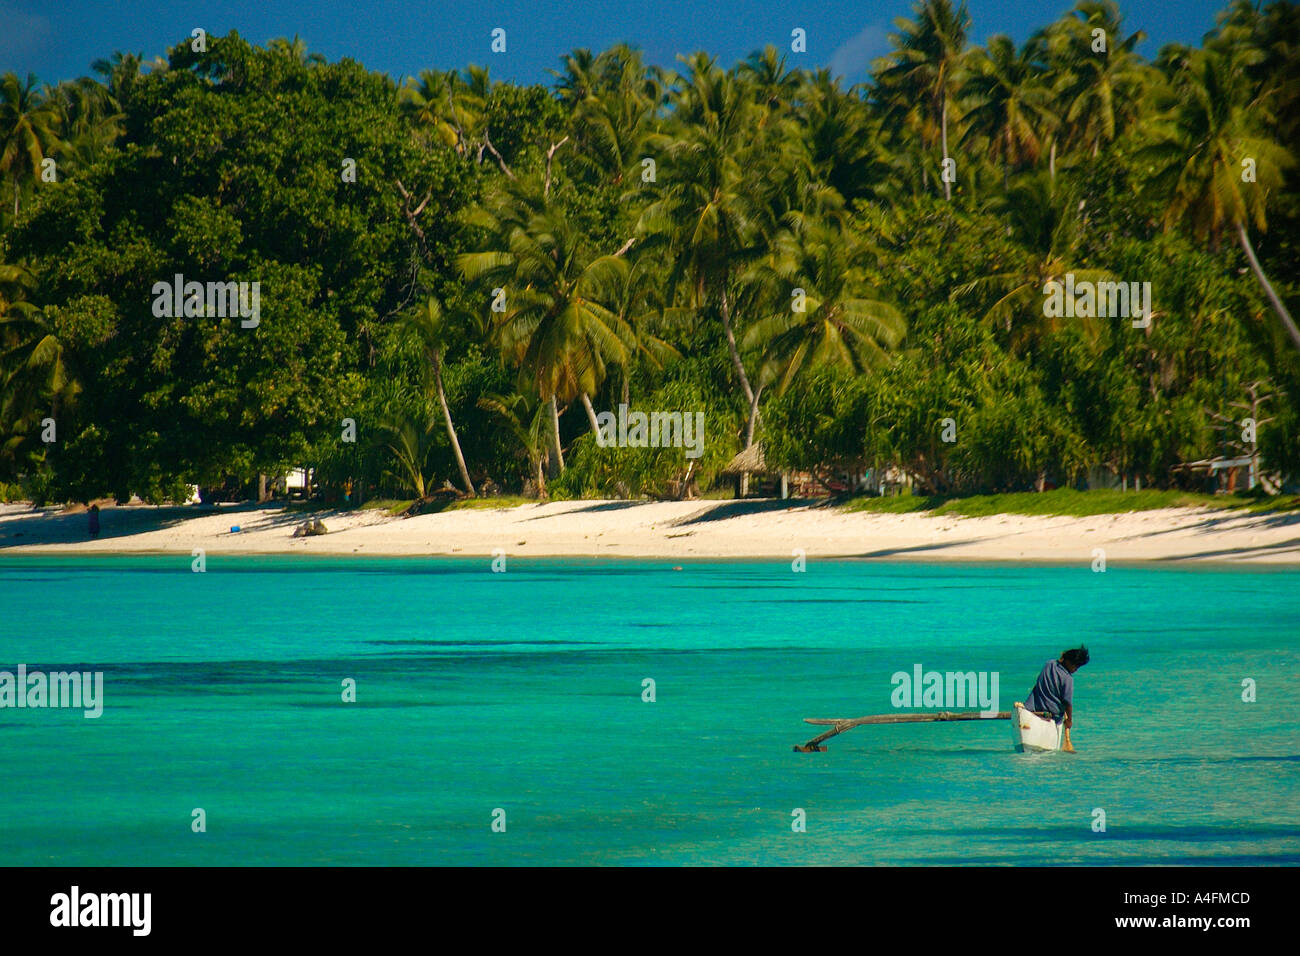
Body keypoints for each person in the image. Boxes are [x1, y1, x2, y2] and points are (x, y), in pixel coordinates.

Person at [1022, 645, 1089, 751]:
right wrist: (1069, 721)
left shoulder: (1049, 664)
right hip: (1052, 714)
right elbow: (1067, 703)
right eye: (1075, 666)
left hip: (1032, 708)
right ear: (1068, 661)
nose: (1076, 669)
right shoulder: (1068, 679)